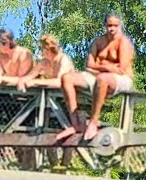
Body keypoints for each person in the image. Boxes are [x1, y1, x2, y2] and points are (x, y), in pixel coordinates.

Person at [54, 14, 134, 143]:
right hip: (96, 76)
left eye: (115, 26)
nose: (111, 29)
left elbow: (121, 69)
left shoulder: (123, 42)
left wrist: (101, 66)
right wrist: (109, 66)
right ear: (105, 26)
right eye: (109, 25)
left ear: (120, 26)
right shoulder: (98, 42)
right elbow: (89, 66)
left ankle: (93, 122)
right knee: (66, 78)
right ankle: (75, 124)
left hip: (121, 79)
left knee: (102, 79)